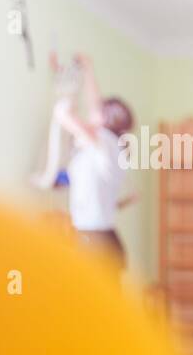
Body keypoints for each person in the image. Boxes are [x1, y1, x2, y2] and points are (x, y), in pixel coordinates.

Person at [32, 53, 136, 268]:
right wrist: (87, 69)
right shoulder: (103, 149)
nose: (91, 113)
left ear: (106, 119)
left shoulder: (106, 144)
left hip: (95, 243)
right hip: (98, 240)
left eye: (97, 112)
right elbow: (93, 108)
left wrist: (64, 112)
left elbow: (77, 116)